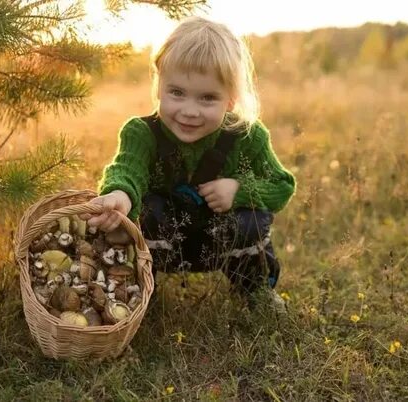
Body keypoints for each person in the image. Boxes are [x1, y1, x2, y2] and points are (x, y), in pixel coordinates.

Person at [81, 16, 296, 303]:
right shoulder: (141, 133)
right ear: (159, 87)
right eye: (177, 93)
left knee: (252, 220)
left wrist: (239, 190)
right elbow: (126, 170)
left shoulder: (247, 136)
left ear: (230, 100)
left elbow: (282, 184)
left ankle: (255, 291)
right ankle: (137, 292)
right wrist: (120, 194)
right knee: (143, 212)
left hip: (220, 240)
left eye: (207, 98)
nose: (189, 111)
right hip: (165, 240)